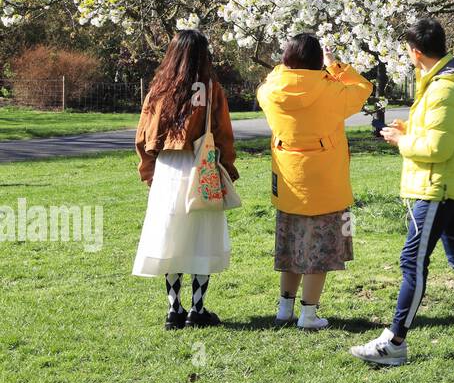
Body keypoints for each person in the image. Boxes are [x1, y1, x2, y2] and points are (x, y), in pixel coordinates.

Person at [349, 18, 454, 366]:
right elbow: (440, 134)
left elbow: (437, 149)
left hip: (436, 189)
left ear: (415, 51)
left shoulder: (442, 90)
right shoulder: (440, 83)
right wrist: (411, 128)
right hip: (445, 186)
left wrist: (401, 139)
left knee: (413, 262)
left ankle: (395, 341)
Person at [257, 33, 372, 330]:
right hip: (324, 180)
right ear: (317, 60)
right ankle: (308, 314)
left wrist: (285, 68)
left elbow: (272, 79)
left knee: (291, 242)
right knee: (319, 247)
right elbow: (362, 88)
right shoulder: (330, 91)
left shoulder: (270, 91)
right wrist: (335, 66)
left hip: (288, 178)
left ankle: (285, 308)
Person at [132, 30, 238, 330]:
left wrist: (148, 170)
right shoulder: (210, 88)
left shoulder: (160, 88)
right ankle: (197, 308)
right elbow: (222, 132)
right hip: (200, 165)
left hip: (167, 167)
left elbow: (143, 134)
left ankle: (173, 309)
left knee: (172, 237)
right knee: (201, 238)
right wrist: (228, 168)